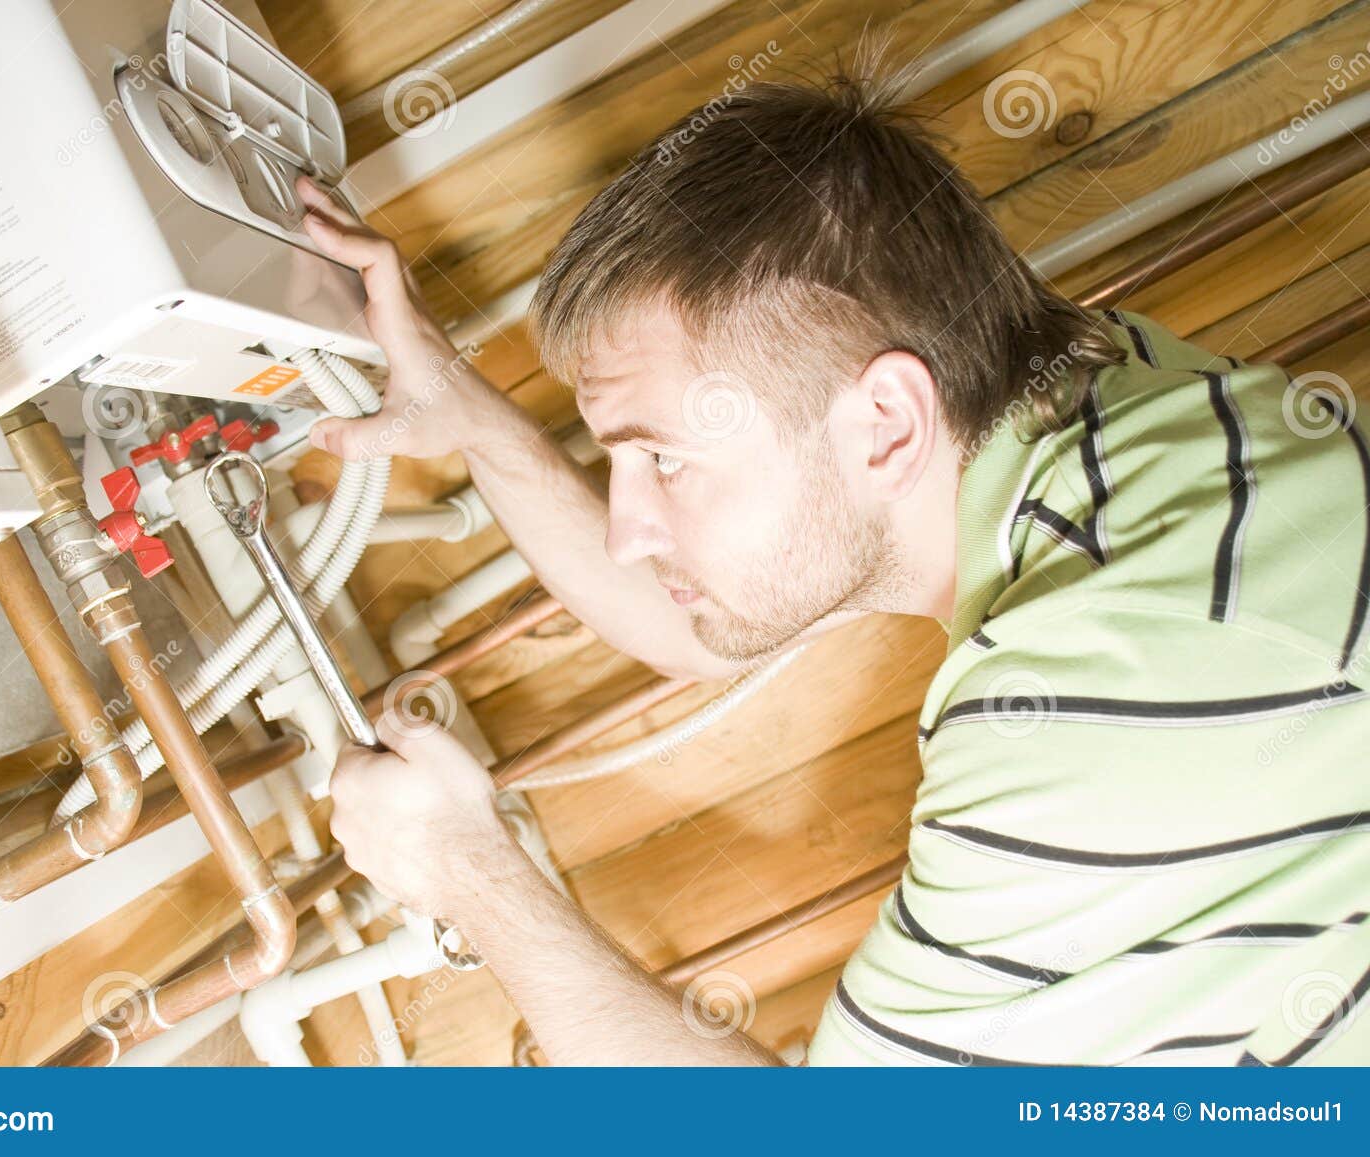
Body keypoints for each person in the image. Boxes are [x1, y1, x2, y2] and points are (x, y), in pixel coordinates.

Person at [295, 71, 1370, 1066]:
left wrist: (467, 876)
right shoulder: (1103, 396)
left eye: (664, 456)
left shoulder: (1104, 696)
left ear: (885, 423)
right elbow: (699, 622)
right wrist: (466, 411)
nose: (630, 531)